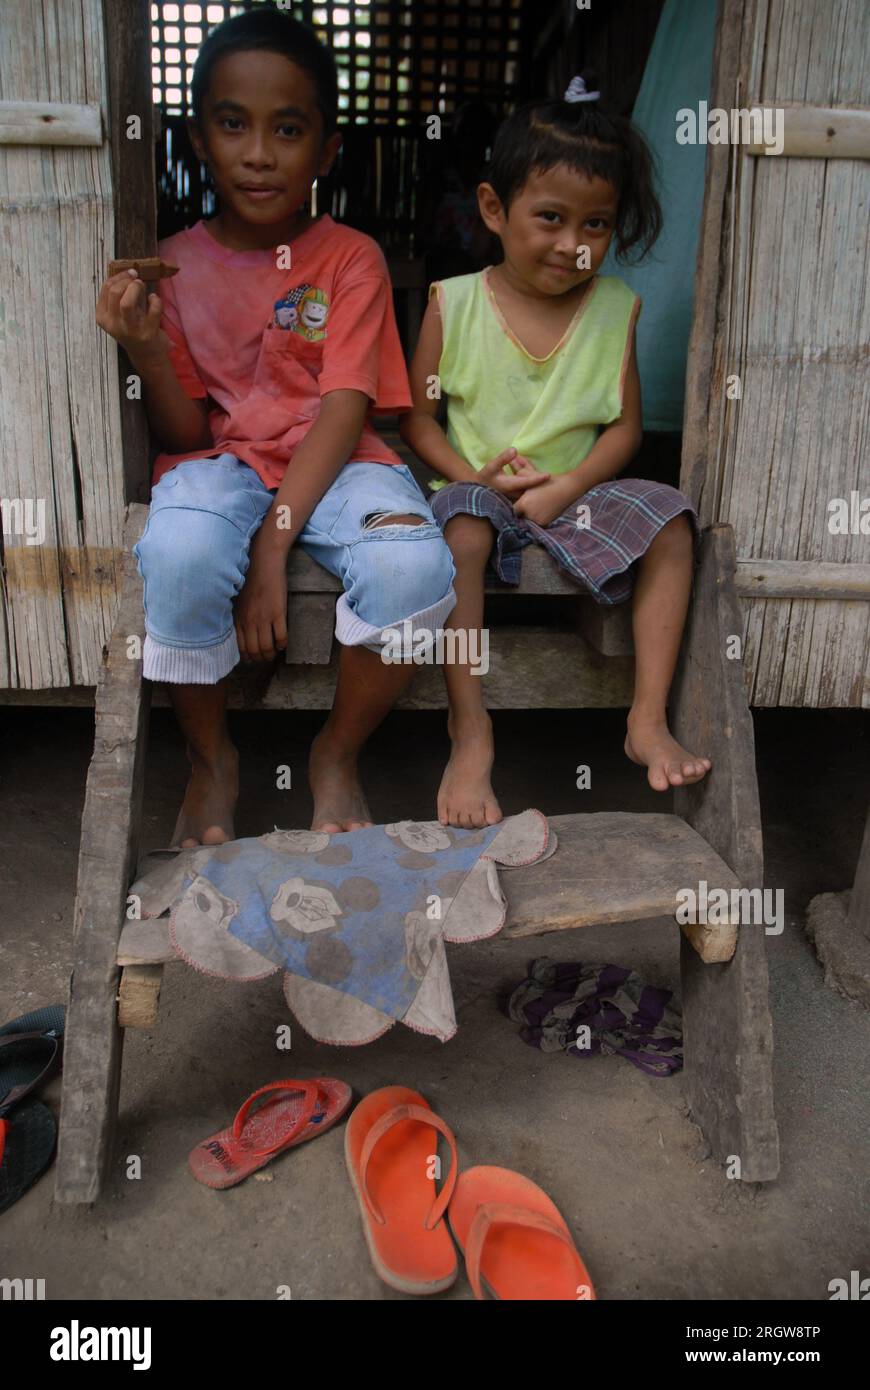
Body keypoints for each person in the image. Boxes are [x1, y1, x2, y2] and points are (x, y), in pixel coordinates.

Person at [96, 9, 455, 844]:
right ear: (198, 138)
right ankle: (212, 759)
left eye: (288, 129)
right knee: (179, 556)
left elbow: (343, 407)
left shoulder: (351, 258)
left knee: (409, 566)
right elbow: (185, 431)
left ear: (327, 150)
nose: (258, 153)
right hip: (223, 462)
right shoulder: (175, 265)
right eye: (233, 124)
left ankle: (335, 754)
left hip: (341, 464)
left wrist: (271, 547)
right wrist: (147, 345)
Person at [400, 75, 711, 829]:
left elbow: (626, 432)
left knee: (672, 521)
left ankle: (645, 718)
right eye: (551, 218)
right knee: (464, 526)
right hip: (473, 487)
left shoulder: (614, 310)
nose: (574, 244)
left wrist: (568, 485)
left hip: (575, 492)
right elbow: (415, 419)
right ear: (493, 210)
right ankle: (470, 727)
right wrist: (467, 476)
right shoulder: (454, 302)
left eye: (597, 224)